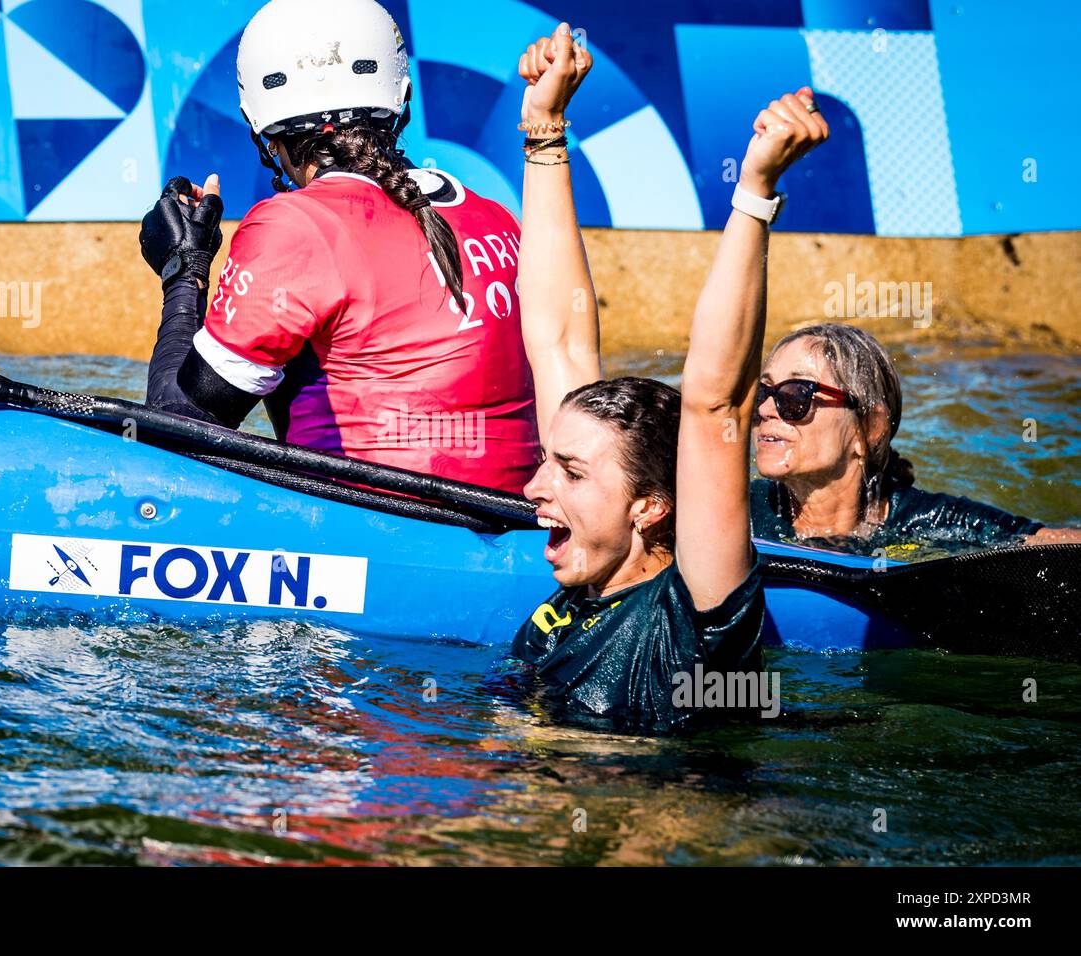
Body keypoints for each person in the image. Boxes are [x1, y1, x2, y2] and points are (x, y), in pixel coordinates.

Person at [507, 24, 829, 732]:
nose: (534, 487)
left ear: (650, 506)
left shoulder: (692, 624)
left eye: (570, 472)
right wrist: (544, 130)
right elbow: (557, 334)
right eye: (546, 464)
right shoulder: (567, 610)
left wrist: (754, 193)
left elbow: (718, 407)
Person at [138, 0, 539, 493]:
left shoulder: (295, 224)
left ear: (260, 125)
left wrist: (186, 269)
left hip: (367, 531)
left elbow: (177, 431)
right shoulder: (497, 217)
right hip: (518, 527)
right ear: (402, 101)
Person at [752, 323, 1081, 553]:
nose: (766, 408)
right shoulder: (740, 510)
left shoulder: (927, 522)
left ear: (868, 428)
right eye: (762, 391)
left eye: (796, 394)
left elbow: (1049, 543)